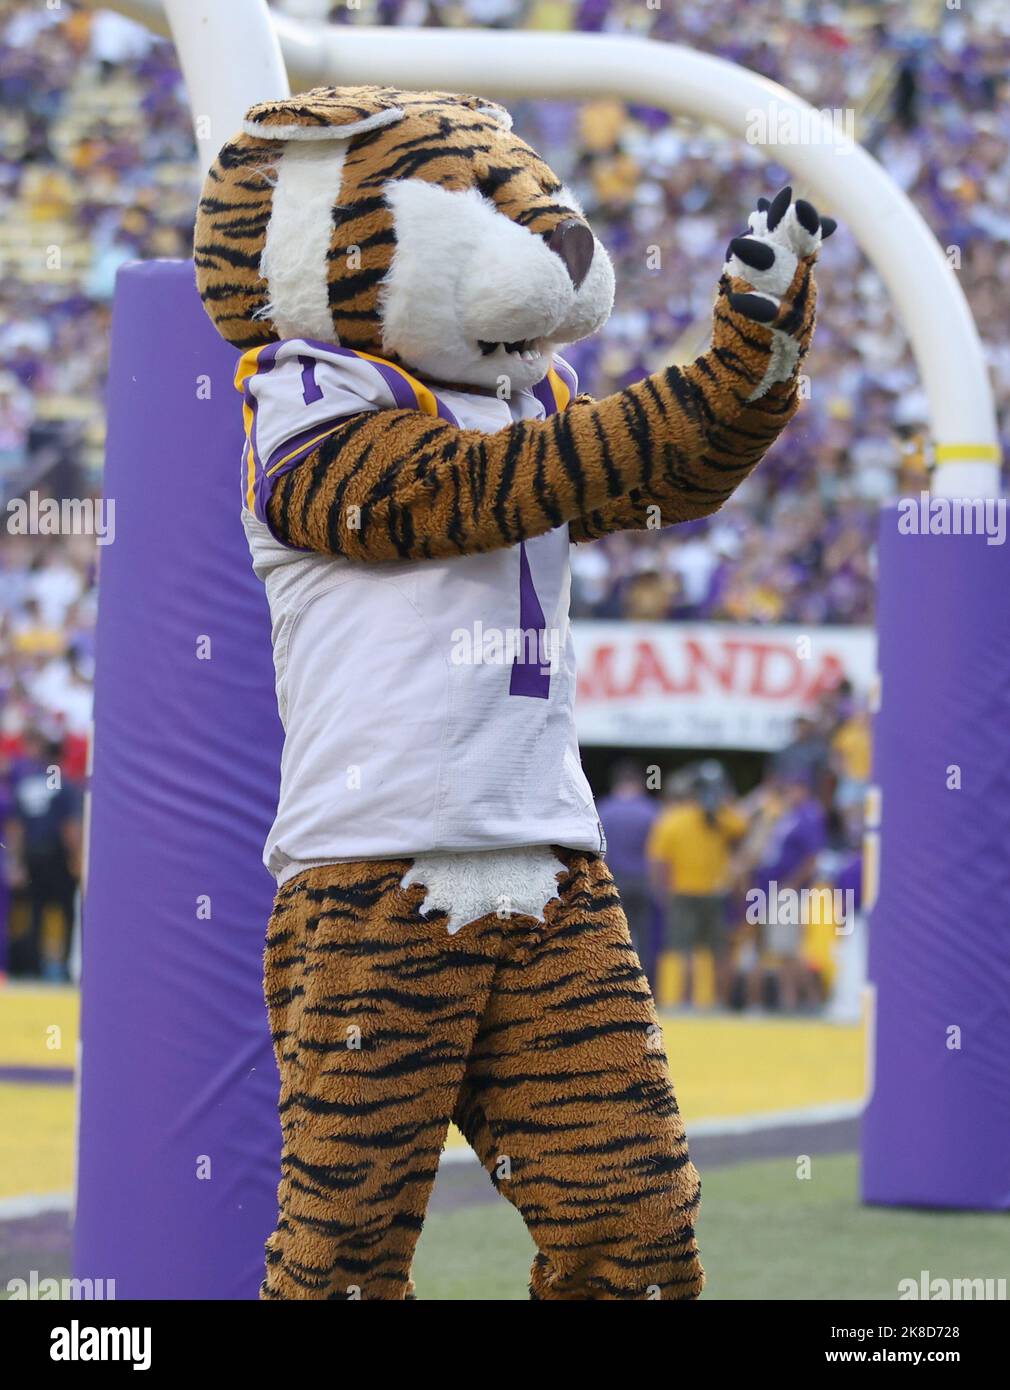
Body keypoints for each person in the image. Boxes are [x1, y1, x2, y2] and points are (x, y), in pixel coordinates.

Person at [647, 762, 746, 1008]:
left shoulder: (672, 819)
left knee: (686, 949)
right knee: (715, 950)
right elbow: (742, 829)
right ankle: (716, 1001)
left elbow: (658, 860)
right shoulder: (721, 818)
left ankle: (686, 1001)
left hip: (684, 891)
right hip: (712, 891)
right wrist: (724, 804)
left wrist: (661, 890)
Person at [746, 770, 827, 1012]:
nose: (790, 793)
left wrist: (790, 885)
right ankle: (791, 1002)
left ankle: (810, 1001)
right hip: (775, 889)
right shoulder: (788, 814)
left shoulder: (809, 815)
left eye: (794, 788)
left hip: (788, 891)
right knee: (781, 950)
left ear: (804, 789)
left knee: (786, 950)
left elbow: (813, 858)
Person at [4, 728, 82, 978]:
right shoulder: (65, 784)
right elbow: (69, 826)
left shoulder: (26, 783)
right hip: (56, 855)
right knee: (66, 912)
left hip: (32, 855)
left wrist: (16, 861)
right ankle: (64, 967)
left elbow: (15, 827)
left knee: (35, 911)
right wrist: (76, 858)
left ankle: (35, 968)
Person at [596, 759, 660, 983]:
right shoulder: (651, 811)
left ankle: (614, 981)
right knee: (644, 933)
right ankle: (644, 982)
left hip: (613, 880)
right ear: (639, 783)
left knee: (612, 933)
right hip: (644, 881)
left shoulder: (603, 809)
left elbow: (599, 850)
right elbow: (658, 854)